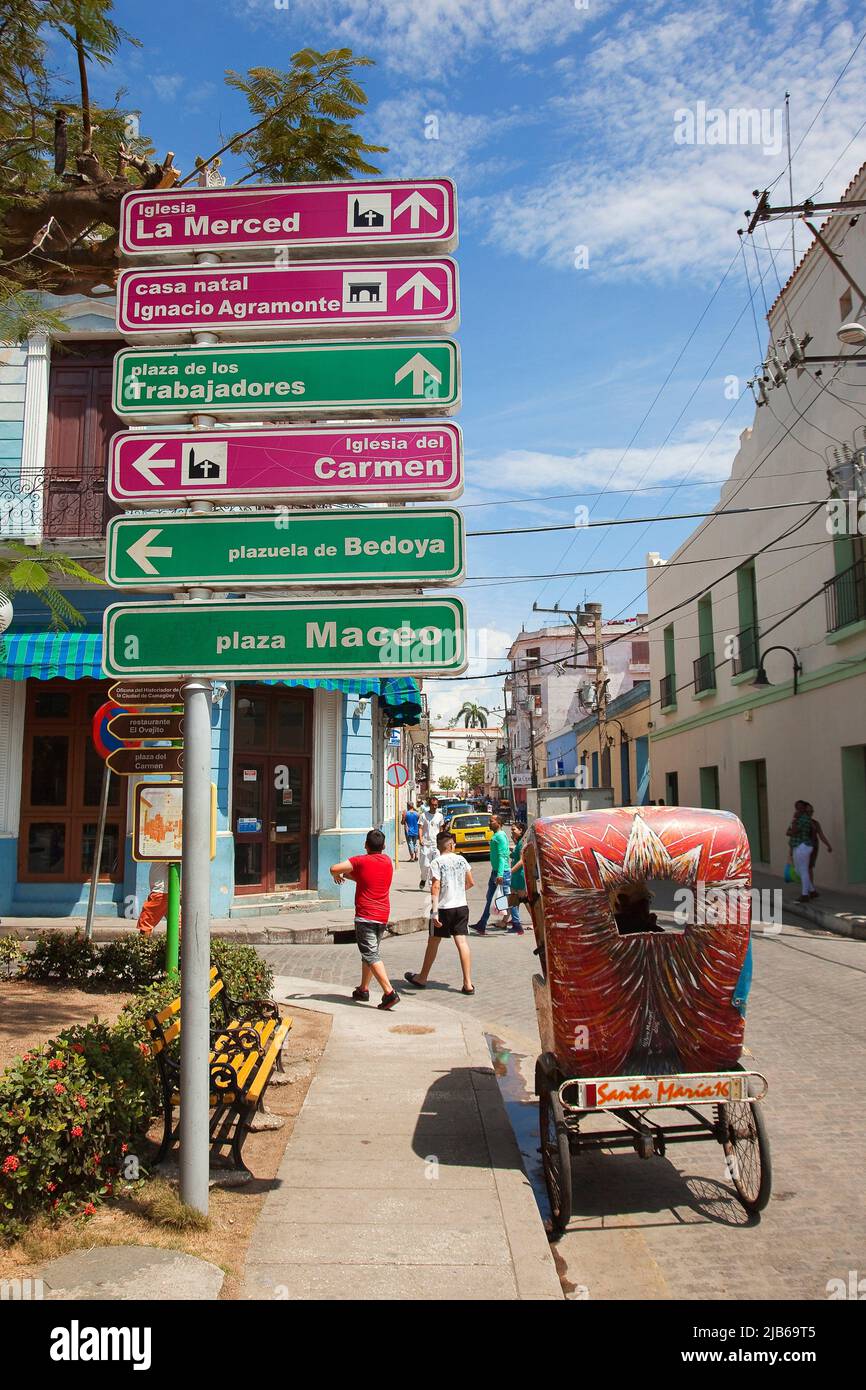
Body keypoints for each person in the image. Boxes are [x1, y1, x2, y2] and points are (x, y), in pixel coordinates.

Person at [330, 829, 399, 1010]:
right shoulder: (387, 861)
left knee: (370, 954)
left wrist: (338, 874)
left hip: (366, 916)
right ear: (384, 846)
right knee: (369, 953)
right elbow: (364, 879)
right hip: (382, 915)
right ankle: (363, 988)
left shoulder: (360, 861)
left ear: (366, 845)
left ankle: (389, 992)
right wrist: (347, 876)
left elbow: (334, 868)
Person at [404, 830, 475, 994]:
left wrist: (434, 911)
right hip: (461, 906)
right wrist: (458, 891)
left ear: (439, 845)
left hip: (443, 908)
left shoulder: (437, 862)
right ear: (451, 844)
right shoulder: (462, 860)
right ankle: (468, 983)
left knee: (433, 942)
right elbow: (470, 882)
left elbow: (435, 886)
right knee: (462, 943)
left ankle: (422, 977)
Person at [471, 813, 513, 935]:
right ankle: (482, 924)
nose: (489, 823)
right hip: (496, 872)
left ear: (498, 823)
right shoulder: (497, 835)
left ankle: (515, 922)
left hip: (501, 873)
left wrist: (500, 874)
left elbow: (502, 857)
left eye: (491, 821)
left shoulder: (499, 836)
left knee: (507, 899)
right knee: (491, 898)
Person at [786, 800, 816, 903]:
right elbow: (788, 832)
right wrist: (793, 826)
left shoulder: (803, 819)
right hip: (797, 845)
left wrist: (794, 820)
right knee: (799, 870)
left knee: (803, 870)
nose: (798, 809)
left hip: (803, 846)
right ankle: (812, 891)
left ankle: (805, 894)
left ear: (804, 808)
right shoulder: (798, 819)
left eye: (800, 807)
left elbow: (793, 831)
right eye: (796, 807)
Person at [805, 801, 832, 896]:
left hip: (813, 848)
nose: (810, 813)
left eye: (812, 811)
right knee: (805, 869)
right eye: (808, 811)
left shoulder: (815, 823)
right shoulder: (799, 822)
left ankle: (810, 889)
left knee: (809, 868)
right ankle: (809, 889)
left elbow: (821, 835)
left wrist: (828, 845)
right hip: (802, 848)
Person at [418, 796, 444, 890]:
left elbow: (441, 829)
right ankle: (423, 879)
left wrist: (442, 841)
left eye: (436, 805)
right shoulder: (423, 816)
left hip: (436, 844)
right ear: (429, 805)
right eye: (432, 805)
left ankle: (432, 884)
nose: (434, 807)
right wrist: (420, 839)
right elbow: (420, 828)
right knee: (424, 865)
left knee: (435, 865)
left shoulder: (440, 816)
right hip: (425, 844)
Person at [137, 862, 169, 936]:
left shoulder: (169, 852)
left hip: (161, 892)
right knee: (178, 923)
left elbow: (172, 860)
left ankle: (142, 946)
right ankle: (181, 946)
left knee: (146, 923)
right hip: (165, 892)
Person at [507, 822, 527, 935]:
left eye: (514, 830)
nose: (512, 832)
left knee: (515, 899)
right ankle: (516, 923)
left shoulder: (522, 843)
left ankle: (517, 925)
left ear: (520, 830)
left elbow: (521, 861)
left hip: (519, 875)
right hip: (516, 875)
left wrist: (510, 871)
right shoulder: (519, 842)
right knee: (516, 900)